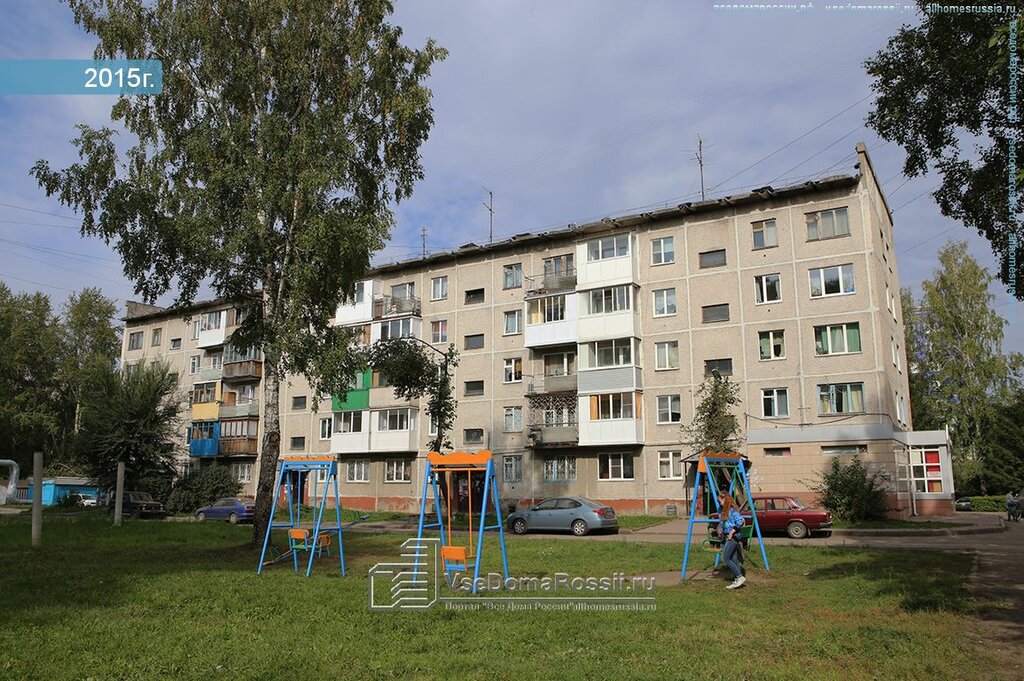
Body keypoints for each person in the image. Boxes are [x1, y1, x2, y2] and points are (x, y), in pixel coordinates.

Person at [717, 490, 747, 590]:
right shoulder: (723, 511)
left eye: (720, 500)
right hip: (728, 536)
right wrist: (722, 531)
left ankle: (740, 577)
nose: (719, 503)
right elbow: (724, 523)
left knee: (725, 558)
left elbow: (740, 521)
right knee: (734, 559)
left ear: (725, 500)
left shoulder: (732, 511)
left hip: (733, 537)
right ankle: (737, 580)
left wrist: (731, 532)